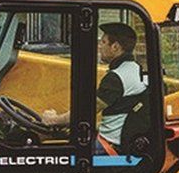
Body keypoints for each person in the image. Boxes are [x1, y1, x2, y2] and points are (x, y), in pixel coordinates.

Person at [42, 22, 148, 155]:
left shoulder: (116, 78)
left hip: (109, 146)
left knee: (58, 156)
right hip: (120, 139)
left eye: (103, 42)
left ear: (115, 47)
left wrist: (54, 120)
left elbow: (85, 111)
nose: (99, 46)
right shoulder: (135, 68)